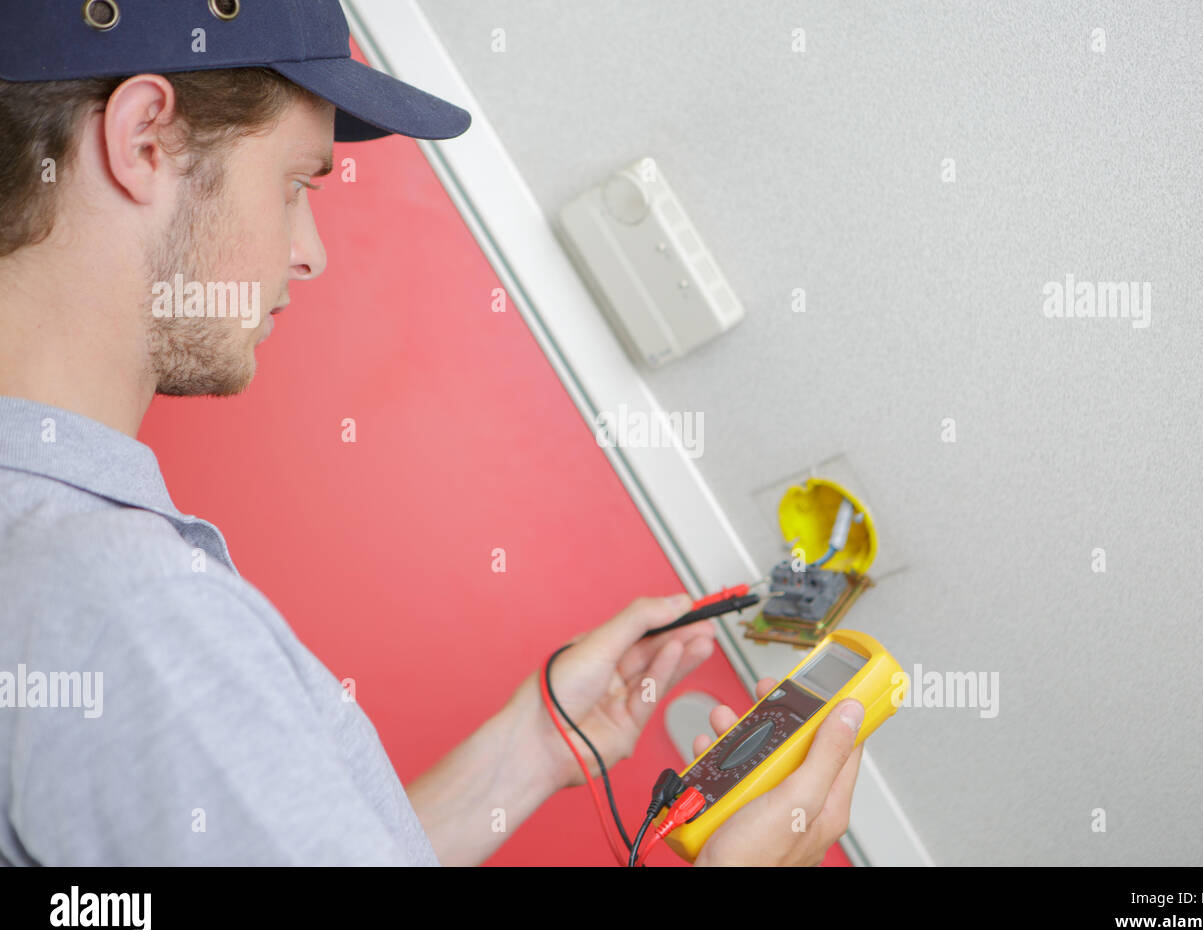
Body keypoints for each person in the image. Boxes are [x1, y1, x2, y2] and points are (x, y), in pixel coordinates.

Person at [0, 0, 866, 866]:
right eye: (296, 183)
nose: (311, 252)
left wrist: (530, 746)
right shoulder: (121, 600)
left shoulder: (54, 554)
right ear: (146, 138)